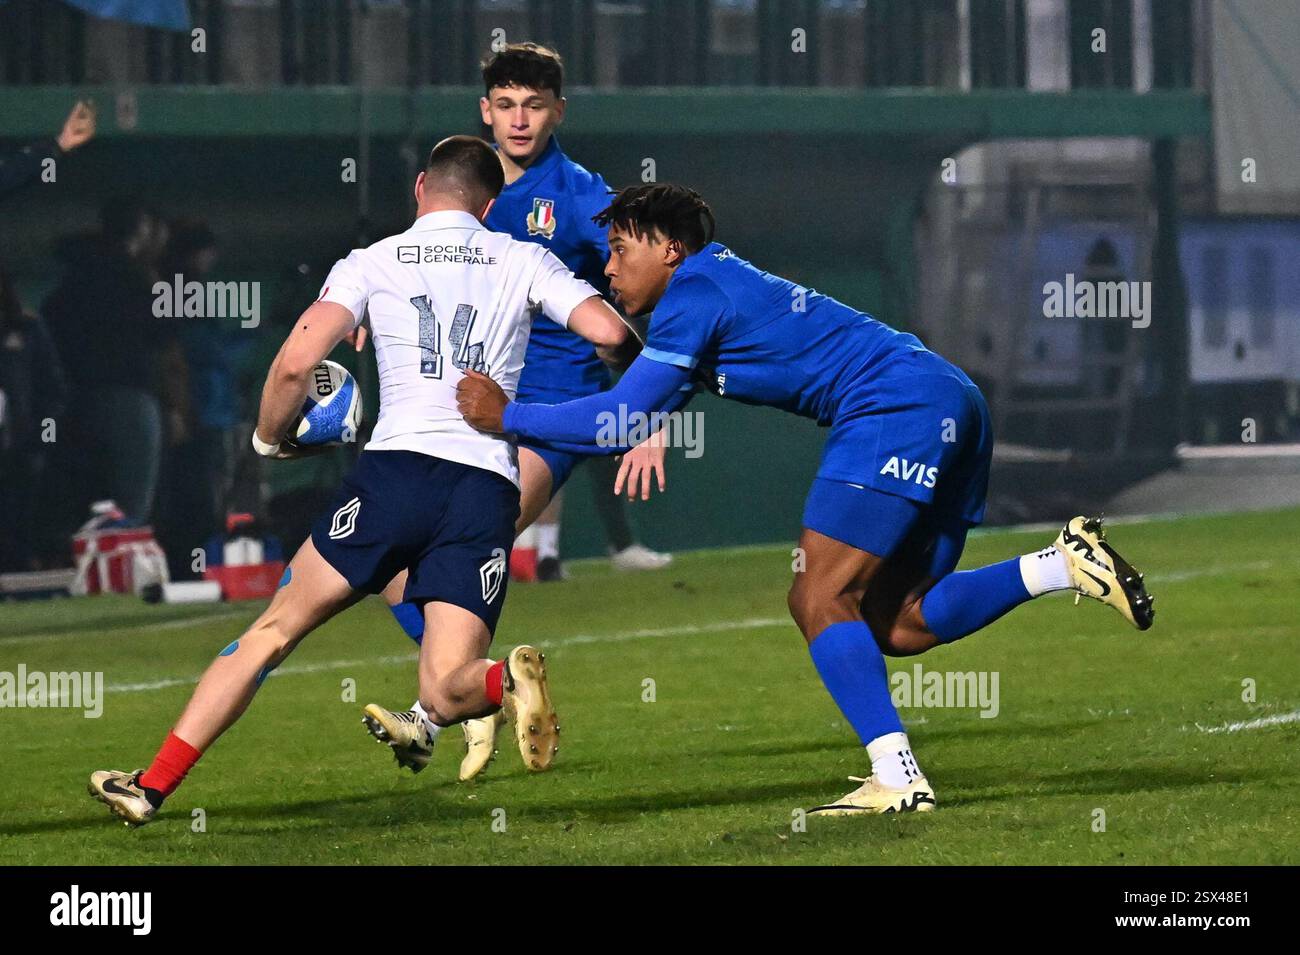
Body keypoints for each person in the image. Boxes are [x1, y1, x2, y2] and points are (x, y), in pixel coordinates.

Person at [457, 183, 1157, 816]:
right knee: (899, 622)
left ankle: (897, 775)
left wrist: (507, 416)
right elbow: (634, 410)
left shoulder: (694, 295)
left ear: (670, 250)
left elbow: (619, 417)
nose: (607, 268)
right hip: (950, 399)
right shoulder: (708, 285)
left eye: (618, 249)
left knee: (817, 597)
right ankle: (1063, 564)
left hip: (894, 407)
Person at [87, 135, 631, 827]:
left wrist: (267, 439)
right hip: (487, 485)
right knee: (445, 685)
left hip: (397, 473)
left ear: (419, 191)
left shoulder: (373, 262)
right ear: (491, 204)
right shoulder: (525, 257)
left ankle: (151, 785)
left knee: (272, 632)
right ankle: (503, 679)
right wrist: (643, 401)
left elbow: (293, 366)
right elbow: (610, 335)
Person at [374, 42, 665, 781]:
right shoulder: (463, 185)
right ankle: (463, 697)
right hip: (467, 410)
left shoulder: (579, 194)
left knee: (466, 548)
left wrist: (649, 413)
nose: (520, 118)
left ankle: (450, 704)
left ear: (557, 111)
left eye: (534, 105)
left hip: (549, 412)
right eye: (506, 103)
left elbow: (637, 292)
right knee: (394, 568)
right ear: (485, 109)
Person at [0, 267, 69, 570]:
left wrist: (44, 440)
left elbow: (53, 392)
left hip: (20, 449)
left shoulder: (27, 329)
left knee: (20, 524)